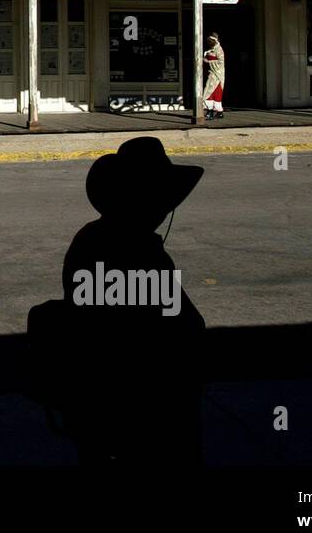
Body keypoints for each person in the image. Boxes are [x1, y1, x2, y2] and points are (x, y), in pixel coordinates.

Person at [26, 136, 207, 466]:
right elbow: (183, 330)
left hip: (93, 402)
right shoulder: (142, 254)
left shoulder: (89, 238)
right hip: (136, 408)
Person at [203, 32, 226, 119]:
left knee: (215, 93)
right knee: (209, 92)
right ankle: (210, 110)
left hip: (217, 75)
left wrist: (208, 62)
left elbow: (220, 62)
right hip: (211, 74)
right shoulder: (211, 49)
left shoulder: (219, 50)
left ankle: (216, 111)